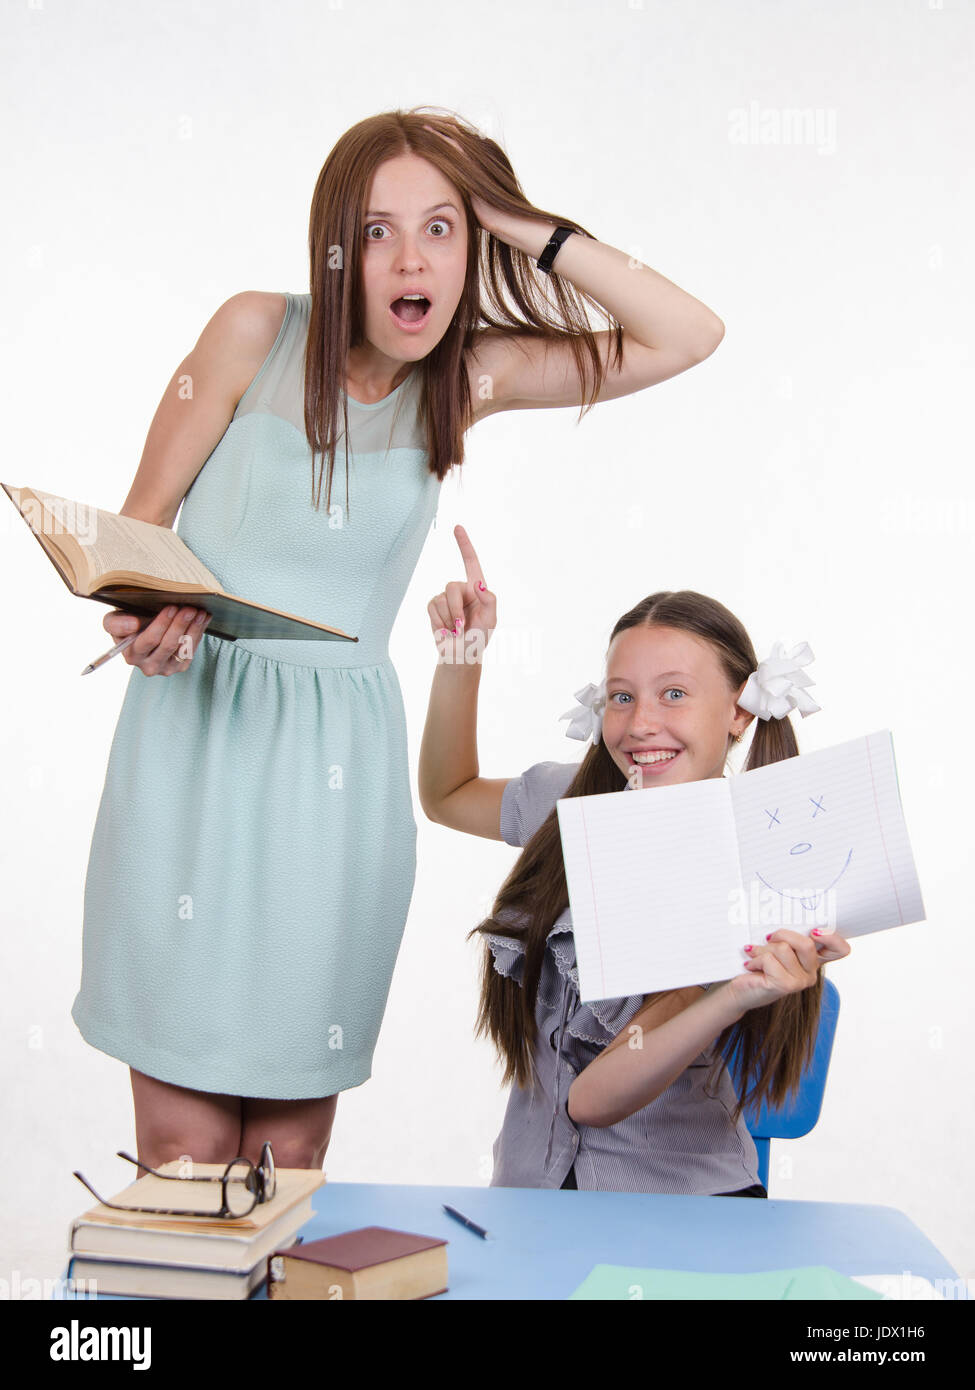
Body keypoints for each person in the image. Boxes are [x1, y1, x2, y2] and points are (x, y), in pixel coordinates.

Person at [72, 106, 727, 1175]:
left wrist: (526, 226)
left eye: (442, 228)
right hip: (194, 755)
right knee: (188, 1161)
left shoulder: (466, 378)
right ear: (337, 248)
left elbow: (687, 335)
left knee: (285, 1163)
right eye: (377, 232)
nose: (410, 258)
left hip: (337, 787)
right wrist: (146, 622)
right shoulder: (252, 330)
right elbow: (135, 538)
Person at [418, 526, 851, 1194]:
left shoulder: (752, 866)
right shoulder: (569, 803)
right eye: (622, 696)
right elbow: (445, 796)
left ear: (738, 713)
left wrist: (726, 988)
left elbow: (594, 1099)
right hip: (531, 1196)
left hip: (682, 1206)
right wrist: (461, 655)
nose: (639, 722)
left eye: (673, 694)